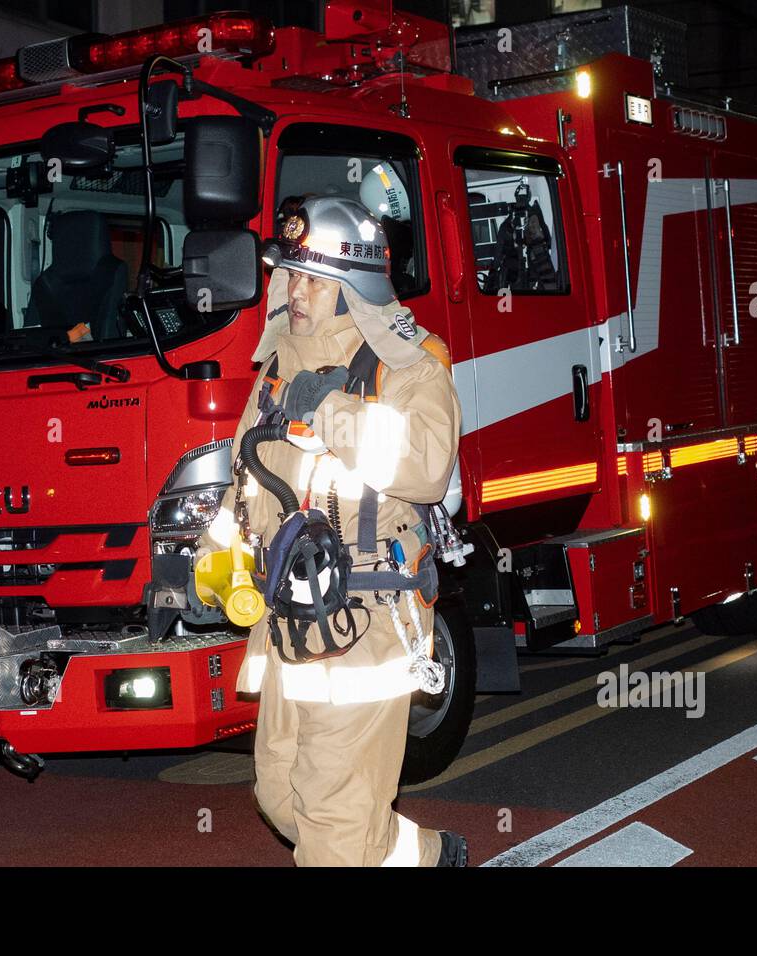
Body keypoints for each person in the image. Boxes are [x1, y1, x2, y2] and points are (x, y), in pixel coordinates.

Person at [203, 196, 466, 866]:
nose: (296, 291)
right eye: (290, 275)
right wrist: (209, 557)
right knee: (281, 796)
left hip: (367, 624)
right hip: (289, 625)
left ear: (356, 288)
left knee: (331, 830)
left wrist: (333, 410)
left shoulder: (407, 365)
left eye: (314, 279)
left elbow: (428, 468)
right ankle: (424, 857)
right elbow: (248, 478)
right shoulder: (275, 370)